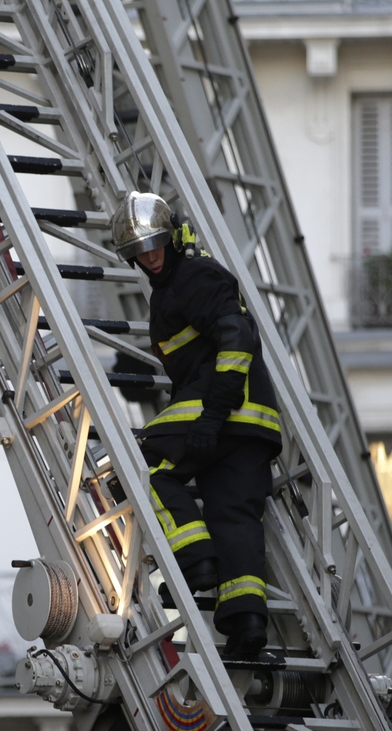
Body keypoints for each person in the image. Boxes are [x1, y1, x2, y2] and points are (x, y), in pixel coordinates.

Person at [110, 191, 282, 659]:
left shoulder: (195, 276)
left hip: (220, 411)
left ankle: (196, 559)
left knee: (138, 469)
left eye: (154, 244)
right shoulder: (179, 284)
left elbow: (236, 340)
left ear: (171, 236)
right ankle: (245, 622)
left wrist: (210, 416)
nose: (148, 256)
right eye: (138, 252)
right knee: (235, 515)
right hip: (252, 426)